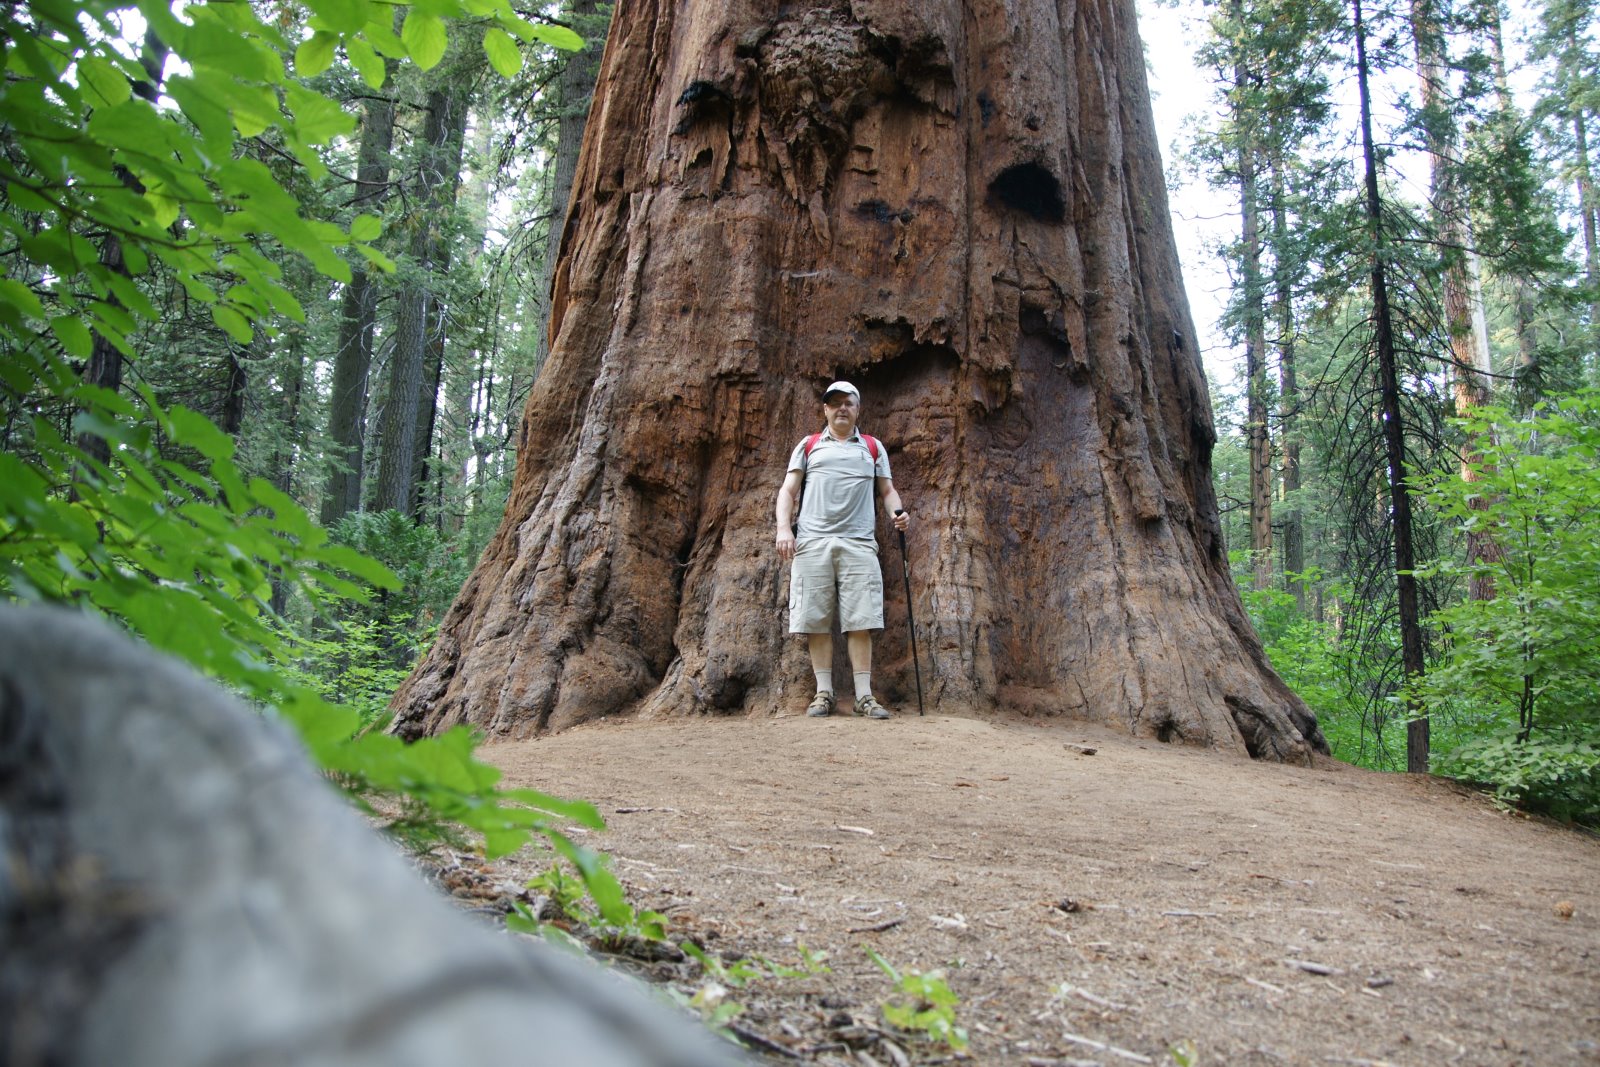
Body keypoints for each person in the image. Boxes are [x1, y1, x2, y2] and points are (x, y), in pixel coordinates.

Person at [774, 381, 909, 719]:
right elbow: (788, 491)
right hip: (813, 542)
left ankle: (864, 696)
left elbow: (888, 490)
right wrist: (783, 528)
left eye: (848, 403)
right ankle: (824, 693)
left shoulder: (872, 448)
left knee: (860, 620)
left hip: (859, 544)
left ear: (858, 409)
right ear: (825, 410)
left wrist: (899, 512)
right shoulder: (809, 446)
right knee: (816, 620)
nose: (841, 409)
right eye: (834, 404)